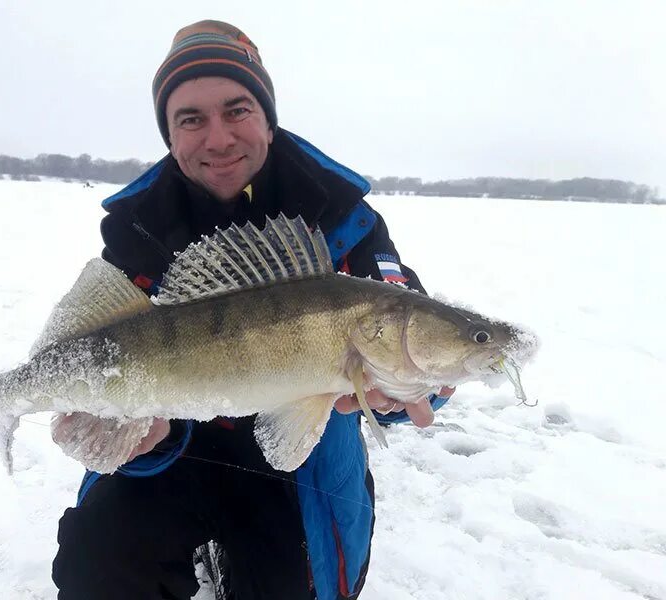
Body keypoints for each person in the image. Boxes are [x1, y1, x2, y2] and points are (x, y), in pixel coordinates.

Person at [51, 20, 453, 600]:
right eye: (191, 118)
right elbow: (110, 345)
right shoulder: (137, 227)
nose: (217, 139)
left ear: (268, 116)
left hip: (298, 451)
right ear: (169, 133)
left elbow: (402, 327)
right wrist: (126, 433)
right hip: (174, 441)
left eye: (237, 110)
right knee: (99, 568)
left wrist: (414, 388)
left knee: (299, 584)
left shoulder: (342, 215)